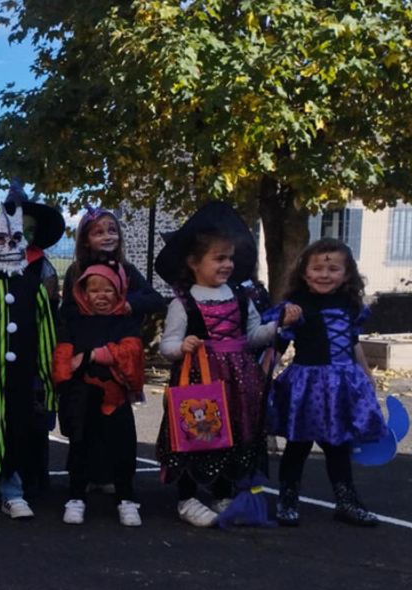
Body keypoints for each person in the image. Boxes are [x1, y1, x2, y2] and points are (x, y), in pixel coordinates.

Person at [154, 202, 299, 527]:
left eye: (230, 258)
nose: (227, 265)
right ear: (194, 263)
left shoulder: (240, 297)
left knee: (232, 436)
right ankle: (187, 498)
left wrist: (279, 325)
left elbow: (252, 337)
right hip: (199, 382)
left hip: (238, 381)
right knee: (196, 435)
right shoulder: (183, 303)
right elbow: (166, 345)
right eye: (219, 258)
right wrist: (182, 346)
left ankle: (223, 492)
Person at [0, 188, 65, 521]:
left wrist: (47, 381)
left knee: (17, 431)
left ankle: (11, 489)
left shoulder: (31, 285)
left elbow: (46, 331)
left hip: (21, 378)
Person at [269, 238, 386, 527]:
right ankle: (287, 496)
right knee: (298, 443)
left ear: (347, 274)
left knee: (338, 444)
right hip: (307, 383)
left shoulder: (351, 305)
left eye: (333, 268)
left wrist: (367, 376)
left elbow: (353, 342)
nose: (324, 274)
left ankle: (346, 500)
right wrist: (263, 376)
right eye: (318, 268)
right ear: (304, 273)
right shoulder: (296, 306)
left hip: (343, 382)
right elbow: (278, 344)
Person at [52, 263, 146, 527]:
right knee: (80, 447)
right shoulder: (74, 323)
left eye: (108, 290)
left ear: (118, 293)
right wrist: (105, 355)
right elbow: (63, 360)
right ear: (83, 293)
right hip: (84, 399)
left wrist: (94, 355)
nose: (101, 295)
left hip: (116, 399)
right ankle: (75, 497)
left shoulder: (125, 323)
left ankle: (126, 498)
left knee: (123, 448)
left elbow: (133, 353)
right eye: (93, 290)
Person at [61, 207, 165, 324]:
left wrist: (128, 304)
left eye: (112, 231)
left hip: (121, 333)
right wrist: (87, 307)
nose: (107, 237)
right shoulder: (76, 271)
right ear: (85, 241)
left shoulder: (126, 269)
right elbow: (66, 310)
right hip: (87, 334)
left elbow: (156, 300)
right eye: (99, 233)